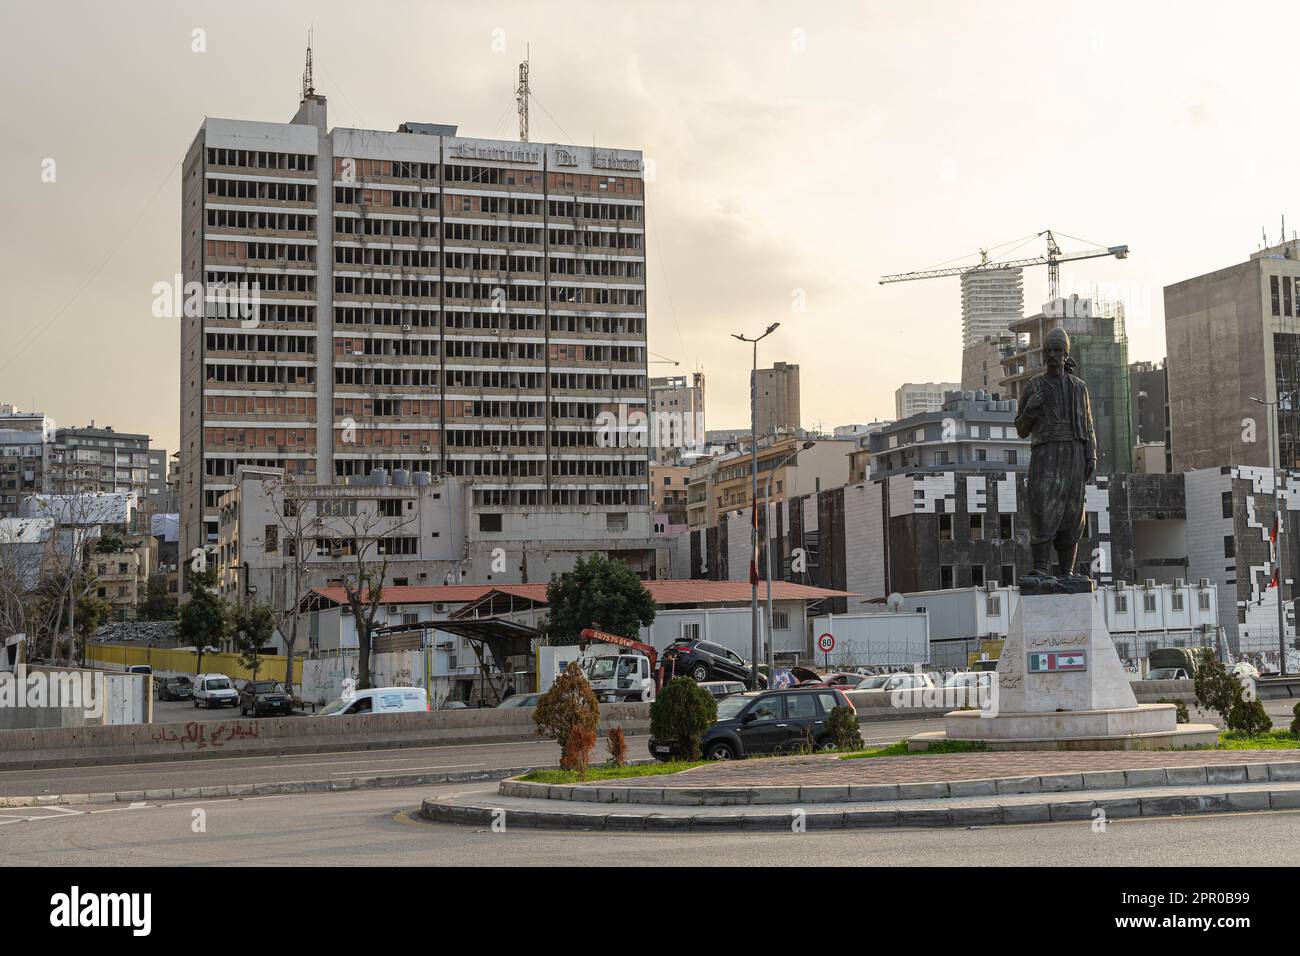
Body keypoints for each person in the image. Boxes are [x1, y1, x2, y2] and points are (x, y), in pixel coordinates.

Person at [1014, 326, 1097, 590]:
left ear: (1065, 354)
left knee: (1073, 512)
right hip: (1045, 453)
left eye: (1056, 350)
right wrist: (1030, 409)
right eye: (1048, 350)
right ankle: (1040, 568)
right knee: (1043, 508)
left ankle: (1067, 571)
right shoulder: (1033, 386)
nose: (1051, 355)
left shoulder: (1078, 387)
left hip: (1073, 452)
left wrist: (1091, 453)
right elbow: (1021, 429)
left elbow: (1089, 425)